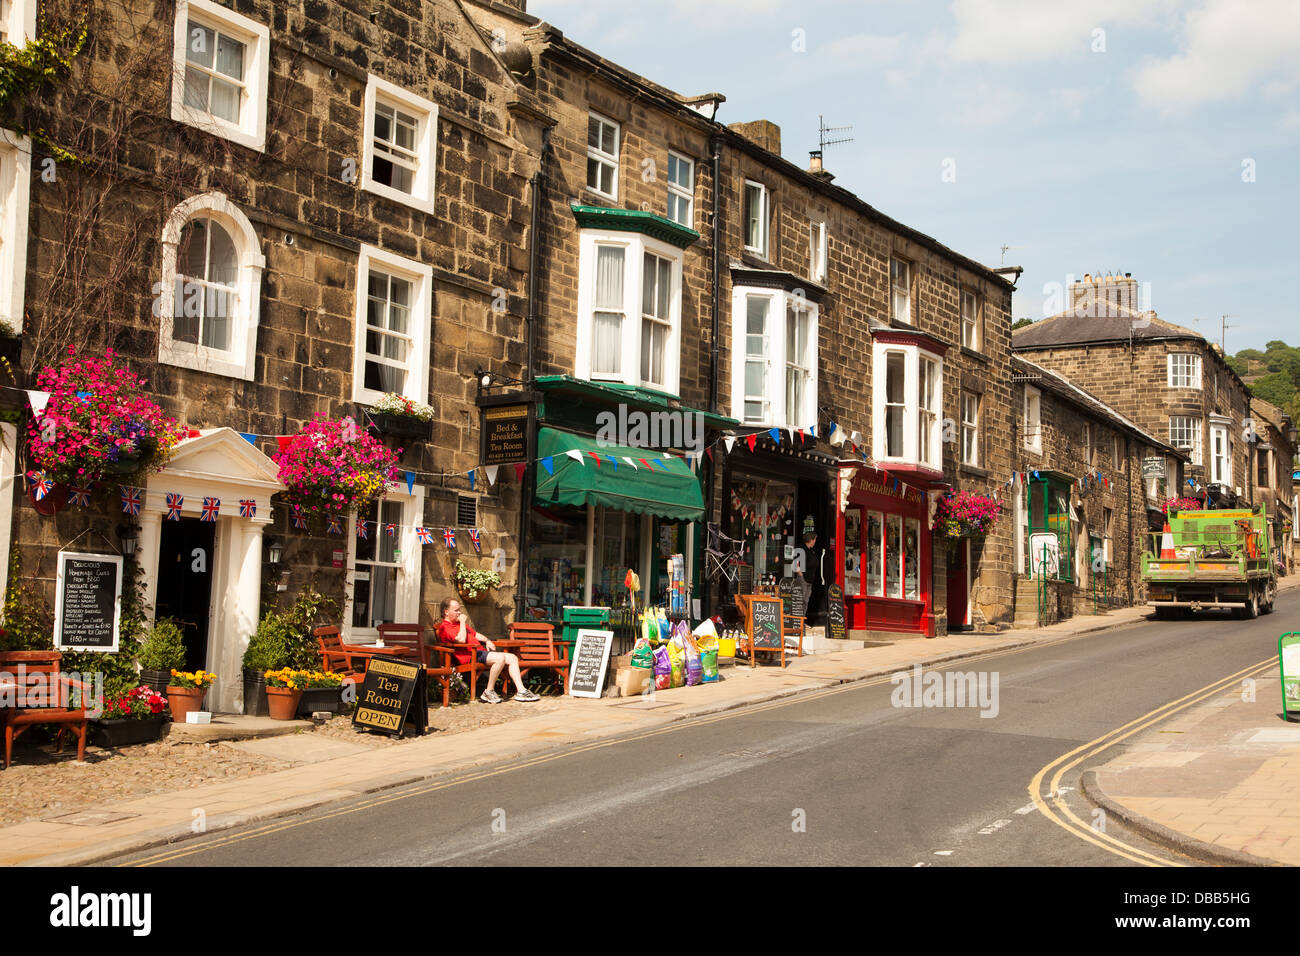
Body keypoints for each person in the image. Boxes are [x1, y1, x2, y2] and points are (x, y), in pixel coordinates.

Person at [436, 598, 539, 703]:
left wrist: (487, 640)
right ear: (446, 612)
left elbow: (475, 634)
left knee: (512, 658)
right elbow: (461, 640)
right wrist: (462, 622)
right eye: (456, 610)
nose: (459, 613)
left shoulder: (459, 624)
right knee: (500, 658)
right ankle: (488, 691)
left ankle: (521, 691)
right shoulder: (445, 627)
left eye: (459, 610)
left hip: (478, 653)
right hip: (468, 656)